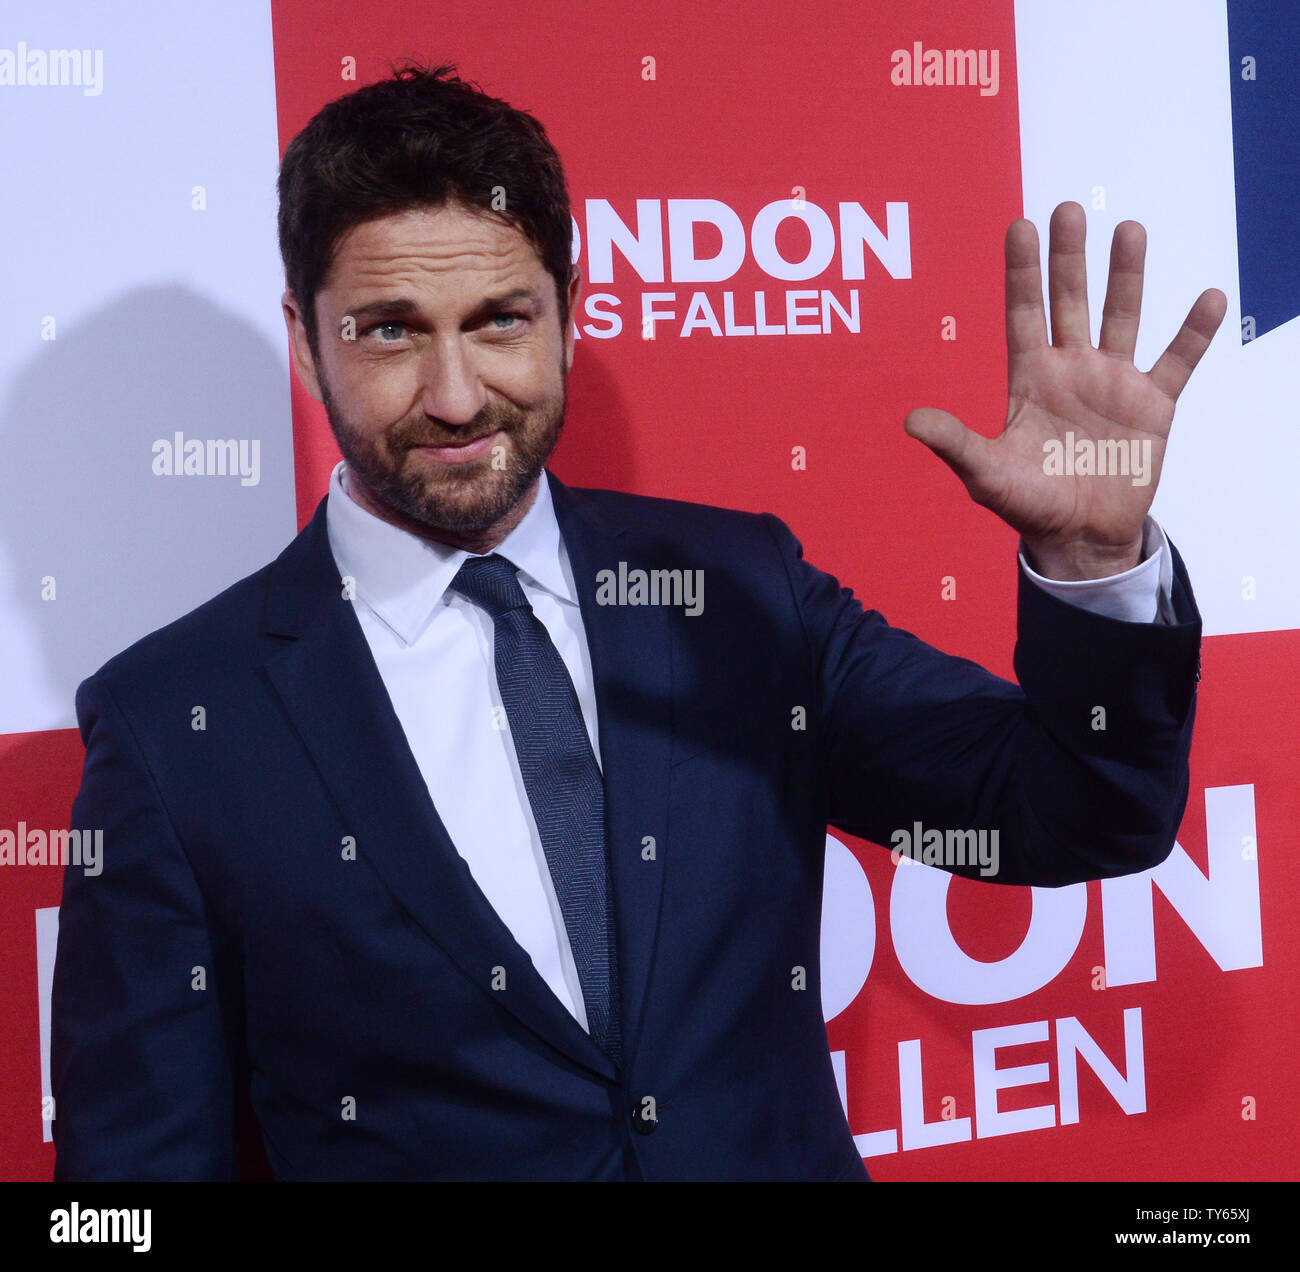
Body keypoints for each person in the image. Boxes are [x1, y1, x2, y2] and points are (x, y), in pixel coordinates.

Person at [50, 63, 1223, 1181]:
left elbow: (1084, 819)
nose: (456, 397)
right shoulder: (175, 727)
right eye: (392, 331)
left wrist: (1090, 559)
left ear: (573, 311)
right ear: (307, 344)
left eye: (501, 319)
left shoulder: (737, 589)